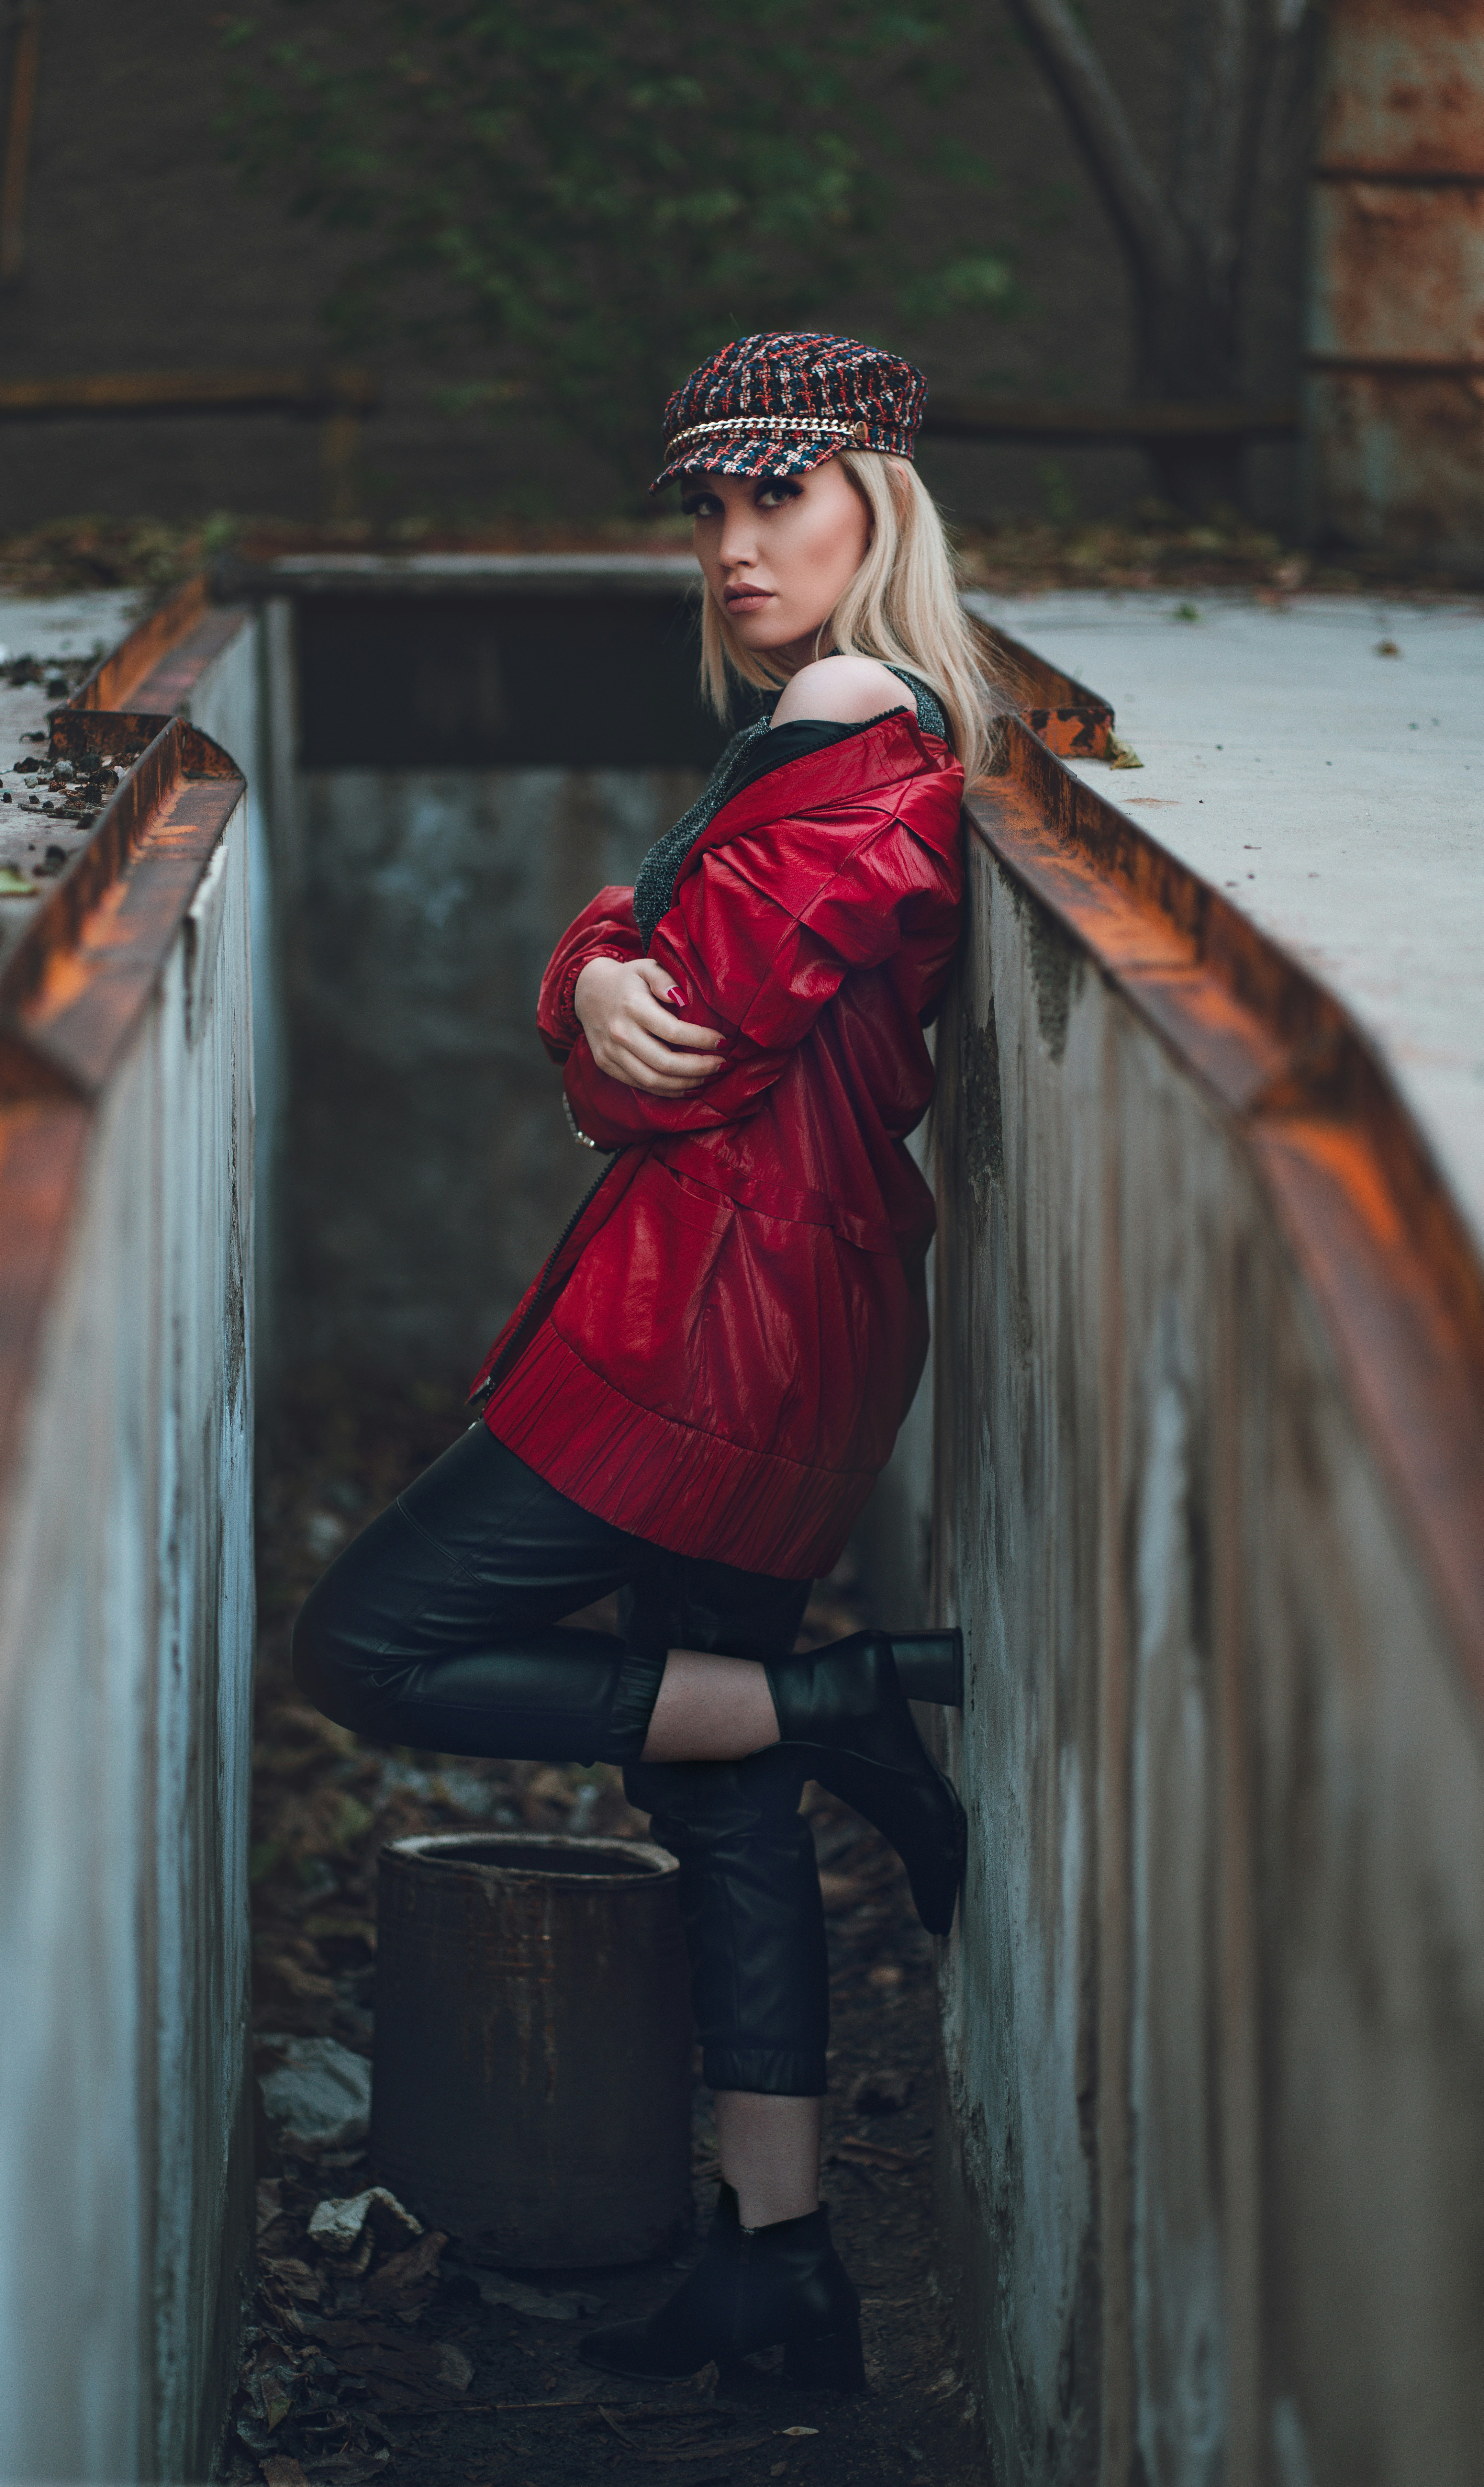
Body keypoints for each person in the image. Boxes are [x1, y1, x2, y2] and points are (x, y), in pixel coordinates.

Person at [293, 331, 995, 2391]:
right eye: (708, 501)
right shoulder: (843, 728)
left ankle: (837, 1696)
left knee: (369, 1647)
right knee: (721, 1786)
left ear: (877, 500)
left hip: (715, 1312)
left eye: (778, 492)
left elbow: (666, 1064)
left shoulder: (851, 715)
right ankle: (781, 2270)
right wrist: (592, 967)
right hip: (785, 1300)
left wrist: (596, 978)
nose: (734, 539)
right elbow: (643, 986)